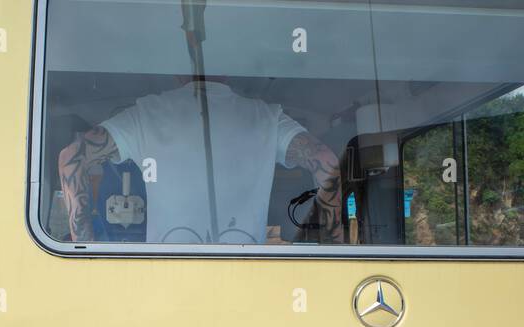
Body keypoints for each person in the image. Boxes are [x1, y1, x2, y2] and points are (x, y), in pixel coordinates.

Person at [59, 77, 343, 245]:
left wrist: (83, 244)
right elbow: (326, 161)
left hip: (166, 282)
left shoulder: (147, 113)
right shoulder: (266, 116)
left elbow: (72, 156)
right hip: (244, 278)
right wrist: (335, 247)